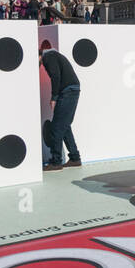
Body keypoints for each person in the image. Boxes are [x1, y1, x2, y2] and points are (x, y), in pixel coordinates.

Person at [40, 40, 82, 170]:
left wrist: (54, 97)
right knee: (64, 126)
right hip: (72, 89)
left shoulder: (48, 57)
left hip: (68, 91)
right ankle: (75, 158)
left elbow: (56, 76)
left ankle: (56, 161)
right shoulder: (54, 55)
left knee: (57, 127)